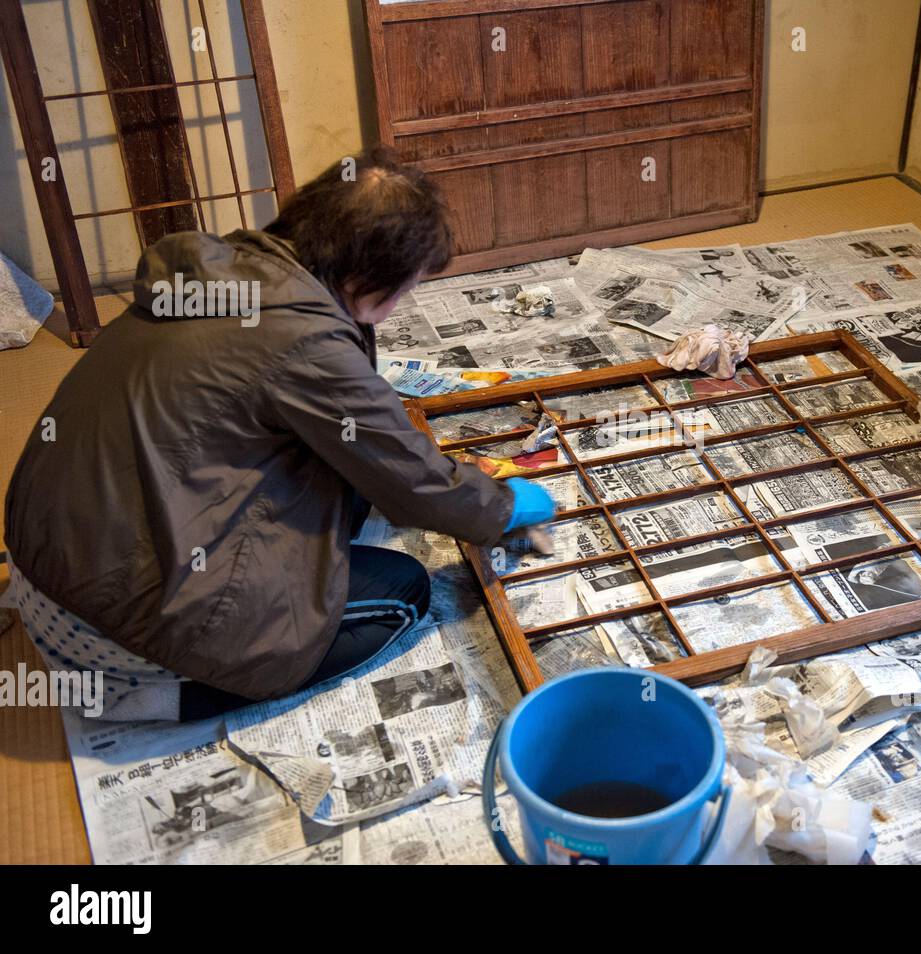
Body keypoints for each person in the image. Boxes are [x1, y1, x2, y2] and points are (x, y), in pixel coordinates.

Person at [4, 147, 555, 721]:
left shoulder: (224, 272)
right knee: (405, 590)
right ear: (367, 279)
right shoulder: (306, 341)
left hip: (44, 564)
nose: (402, 301)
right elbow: (418, 486)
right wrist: (505, 507)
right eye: (407, 287)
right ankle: (156, 699)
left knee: (342, 491)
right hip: (113, 635)